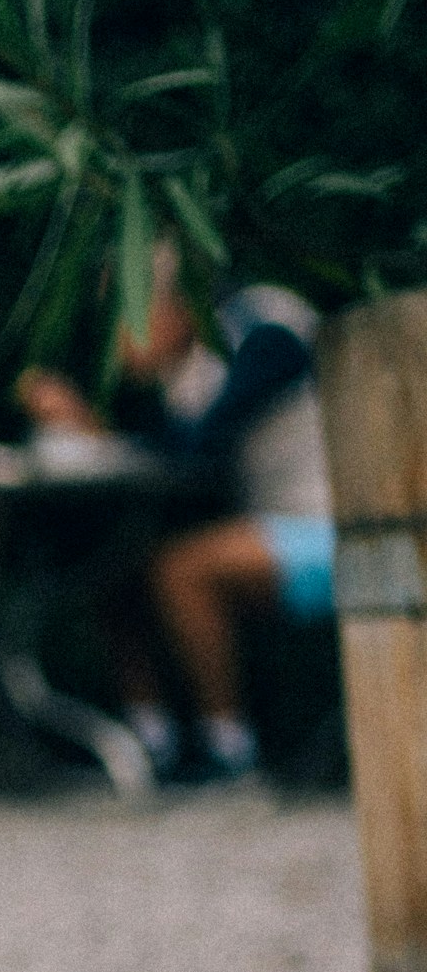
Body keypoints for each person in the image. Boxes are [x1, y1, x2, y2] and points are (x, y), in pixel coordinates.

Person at [17, 247, 330, 783]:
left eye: (128, 316)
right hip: (280, 527)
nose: (118, 338)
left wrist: (91, 427)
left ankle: (228, 751)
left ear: (177, 306)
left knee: (181, 572)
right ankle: (152, 742)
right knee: (119, 575)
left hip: (332, 529)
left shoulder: (262, 328)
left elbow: (198, 445)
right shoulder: (190, 370)